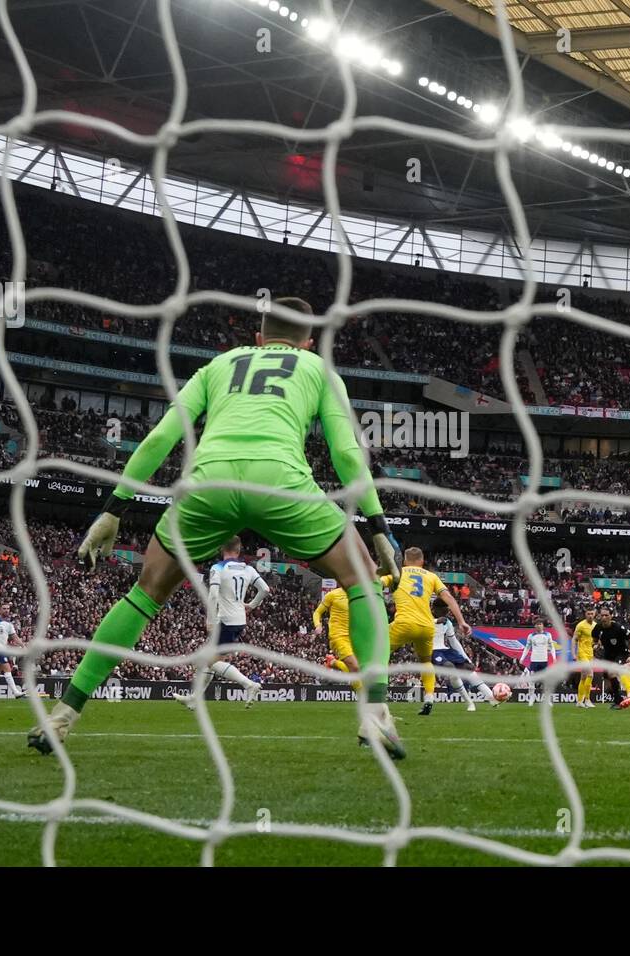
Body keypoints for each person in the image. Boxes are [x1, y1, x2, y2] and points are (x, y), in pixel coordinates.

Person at [28, 297, 406, 757]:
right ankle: (375, 713)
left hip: (208, 484)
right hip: (280, 483)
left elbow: (161, 436)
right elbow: (347, 454)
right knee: (361, 579)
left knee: (144, 594)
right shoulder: (318, 369)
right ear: (309, 342)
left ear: (259, 338)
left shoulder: (219, 365)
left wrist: (114, 509)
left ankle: (62, 715)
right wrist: (379, 526)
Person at [176, 536, 269, 710]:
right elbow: (265, 589)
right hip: (239, 620)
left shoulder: (218, 567)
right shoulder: (248, 569)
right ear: (239, 550)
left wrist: (210, 619)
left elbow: (212, 594)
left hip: (225, 620)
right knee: (208, 659)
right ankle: (194, 699)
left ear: (221, 549)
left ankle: (249, 685)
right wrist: (251, 605)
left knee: (212, 661)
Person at [382, 547, 471, 717]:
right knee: (425, 662)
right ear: (422, 562)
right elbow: (449, 598)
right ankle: (429, 698)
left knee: (379, 653)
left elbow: (376, 585)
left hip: (404, 624)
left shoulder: (397, 573)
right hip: (426, 627)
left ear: (404, 561)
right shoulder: (432, 576)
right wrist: (461, 621)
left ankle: (381, 693)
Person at [430, 613, 496, 711]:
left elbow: (453, 642)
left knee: (468, 669)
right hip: (433, 651)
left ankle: (492, 697)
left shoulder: (447, 622)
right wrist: (436, 621)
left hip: (445, 650)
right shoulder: (425, 618)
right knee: (450, 668)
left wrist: (466, 658)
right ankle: (469, 703)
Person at [313, 585, 362, 693]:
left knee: (356, 669)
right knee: (355, 667)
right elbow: (317, 612)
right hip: (338, 636)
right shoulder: (333, 595)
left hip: (354, 637)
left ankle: (333, 662)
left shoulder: (358, 595)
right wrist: (318, 625)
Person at [592, 609, 630, 708]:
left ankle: (622, 698)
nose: (604, 618)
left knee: (612, 672)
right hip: (608, 655)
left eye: (606, 615)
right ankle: (618, 700)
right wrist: (596, 645)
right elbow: (595, 640)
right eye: (602, 615)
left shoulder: (619, 628)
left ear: (611, 616)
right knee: (608, 681)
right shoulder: (597, 628)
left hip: (621, 653)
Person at [0, 604, 24, 699]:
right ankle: (15, 692)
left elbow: (15, 637)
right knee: (7, 668)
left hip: (2, 649)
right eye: (4, 609)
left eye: (8, 609)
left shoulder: (9, 624)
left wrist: (23, 646)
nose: (6, 610)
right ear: (0, 610)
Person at [519, 620, 555, 706]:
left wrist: (554, 658)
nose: (539, 626)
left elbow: (552, 647)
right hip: (534, 660)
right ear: (535, 626)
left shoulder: (547, 635)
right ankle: (531, 698)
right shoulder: (531, 636)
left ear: (543, 626)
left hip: (544, 660)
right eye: (537, 624)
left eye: (540, 624)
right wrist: (522, 658)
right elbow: (527, 648)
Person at [574, 606, 597, 708]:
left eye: (592, 614)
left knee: (583, 677)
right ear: (585, 614)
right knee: (590, 674)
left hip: (590, 653)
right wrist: (574, 654)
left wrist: (597, 645)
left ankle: (579, 701)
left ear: (594, 614)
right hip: (582, 652)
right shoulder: (580, 625)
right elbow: (574, 639)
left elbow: (596, 640)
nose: (590, 616)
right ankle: (587, 699)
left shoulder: (596, 625)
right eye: (588, 614)